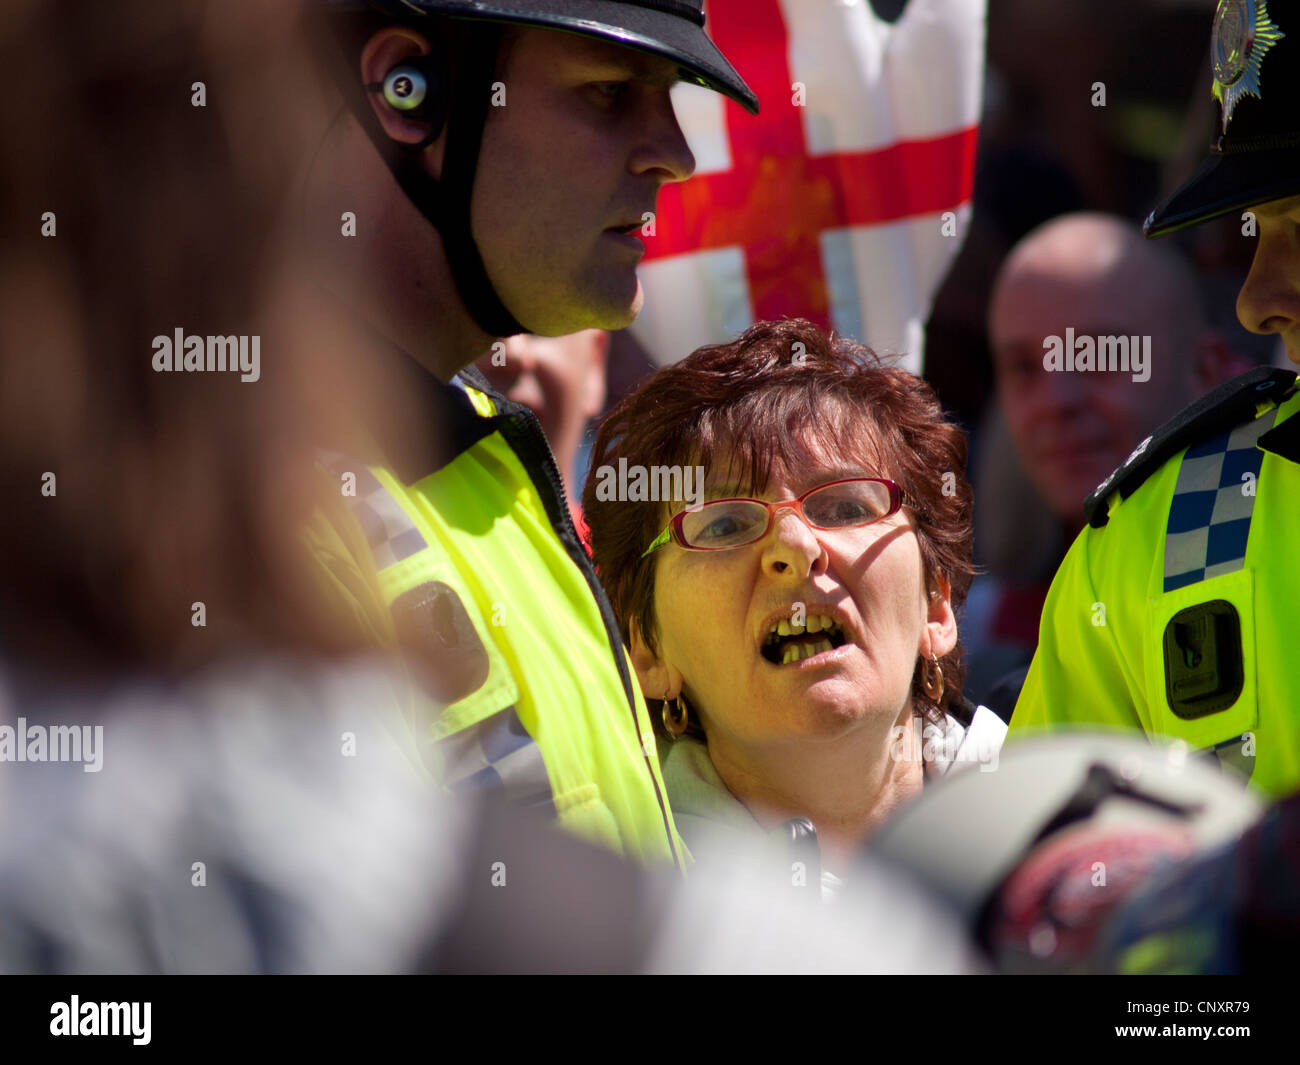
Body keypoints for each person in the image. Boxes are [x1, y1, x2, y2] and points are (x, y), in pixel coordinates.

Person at [298, 0, 758, 869]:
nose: (677, 155)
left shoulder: (494, 460)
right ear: (408, 93)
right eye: (609, 92)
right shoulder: (239, 506)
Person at [581, 319, 1007, 896]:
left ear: (937, 605)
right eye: (726, 524)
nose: (796, 549)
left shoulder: (1073, 830)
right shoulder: (601, 908)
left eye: (846, 507)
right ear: (647, 650)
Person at [1009, 2, 1300, 798]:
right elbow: (1044, 884)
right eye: (1258, 232)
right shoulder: (1149, 542)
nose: (1257, 300)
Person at [967, 212, 1251, 710]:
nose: (1057, 399)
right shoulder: (979, 641)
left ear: (1208, 367)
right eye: (1024, 367)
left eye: (1099, 355)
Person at [473, 329, 610, 539]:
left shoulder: (625, 570)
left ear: (593, 364)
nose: (511, 353)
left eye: (541, 327)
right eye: (482, 319)